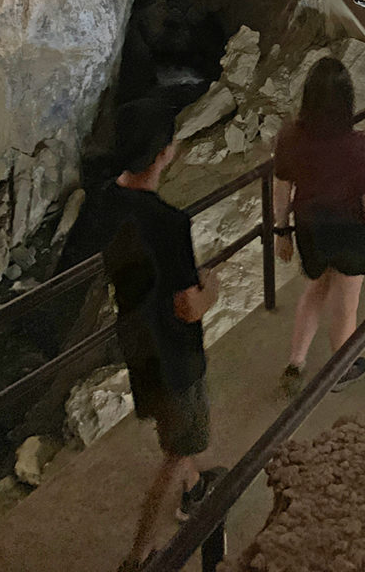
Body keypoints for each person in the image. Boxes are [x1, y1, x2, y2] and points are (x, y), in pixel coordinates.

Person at [100, 100, 223, 570]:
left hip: (136, 341)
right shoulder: (169, 224)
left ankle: (194, 490)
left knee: (173, 431)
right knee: (179, 449)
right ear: (164, 154)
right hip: (174, 354)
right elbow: (187, 306)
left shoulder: (107, 203)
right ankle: (140, 555)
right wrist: (212, 288)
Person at [273, 57, 365, 395]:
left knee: (316, 290)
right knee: (346, 304)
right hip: (349, 232)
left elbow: (282, 189)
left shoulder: (290, 138)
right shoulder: (359, 147)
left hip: (310, 230)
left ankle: (295, 362)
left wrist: (281, 232)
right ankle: (340, 369)